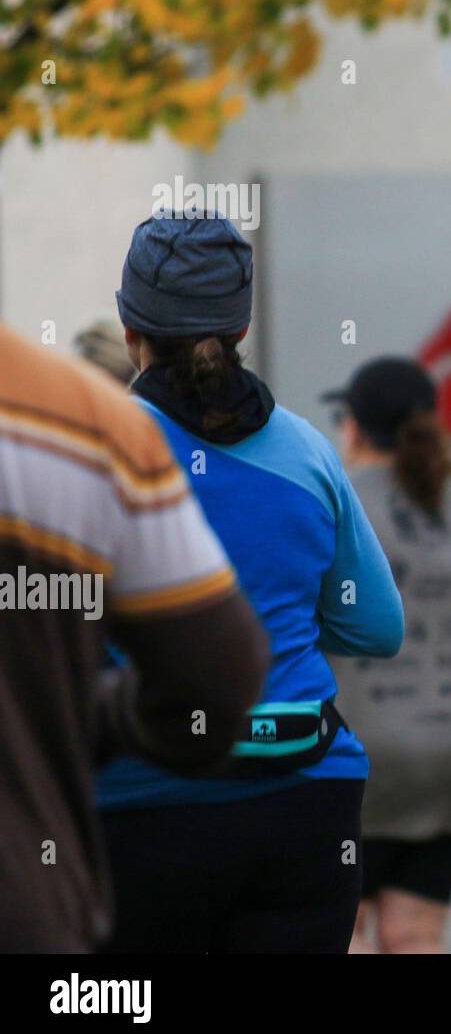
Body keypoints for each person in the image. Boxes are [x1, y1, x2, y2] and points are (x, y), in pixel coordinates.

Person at [95, 213, 404, 954]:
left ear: (128, 324)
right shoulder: (306, 450)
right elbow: (378, 628)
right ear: (240, 327)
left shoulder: (95, 448)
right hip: (307, 800)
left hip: (142, 803)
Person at [0, 323, 268, 952]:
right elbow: (216, 682)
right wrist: (93, 717)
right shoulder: (76, 421)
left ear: (132, 332)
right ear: (242, 328)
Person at [323, 357, 451, 954]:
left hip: (366, 757)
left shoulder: (338, 507)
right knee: (415, 935)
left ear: (355, 429)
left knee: (349, 931)